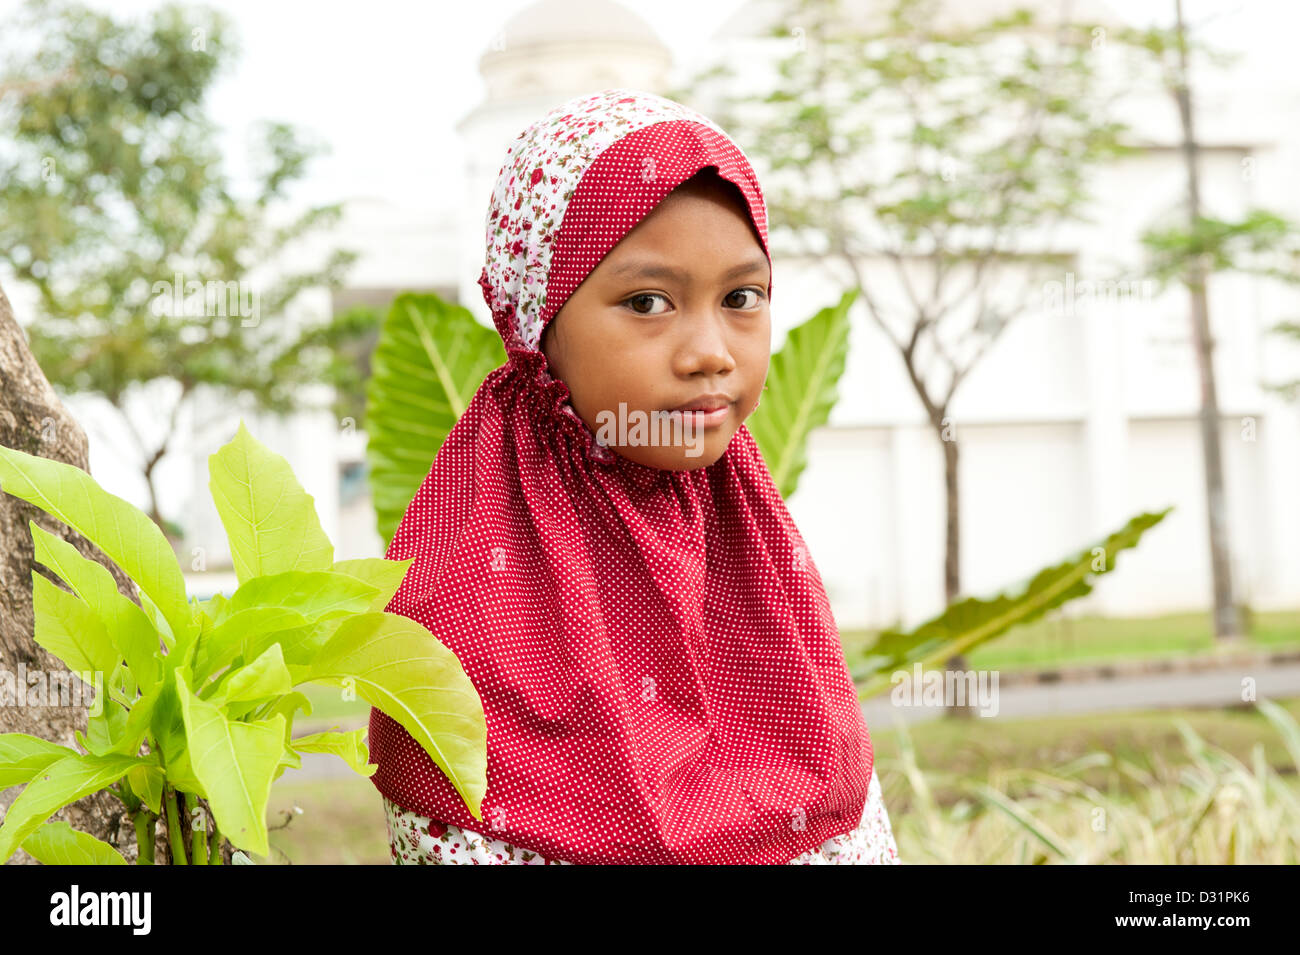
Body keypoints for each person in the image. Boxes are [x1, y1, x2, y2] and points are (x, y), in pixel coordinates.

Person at [368, 87, 900, 865]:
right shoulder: (470, 582)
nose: (711, 350)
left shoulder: (750, 534)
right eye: (649, 301)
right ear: (538, 315)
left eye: (742, 297)